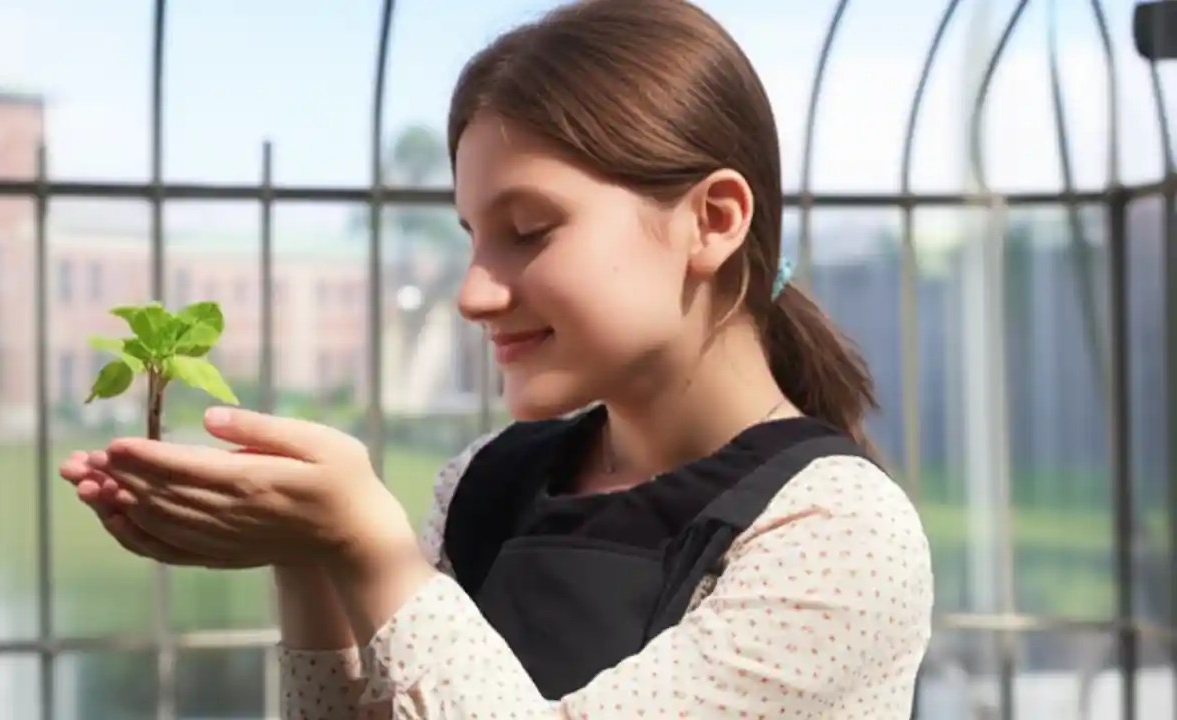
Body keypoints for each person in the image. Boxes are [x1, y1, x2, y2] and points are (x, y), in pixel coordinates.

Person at [60, 0, 933, 716]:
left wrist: (371, 549)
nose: (474, 293)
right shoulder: (484, 480)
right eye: (474, 237)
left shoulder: (839, 532)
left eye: (528, 232)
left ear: (713, 220)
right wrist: (309, 556)